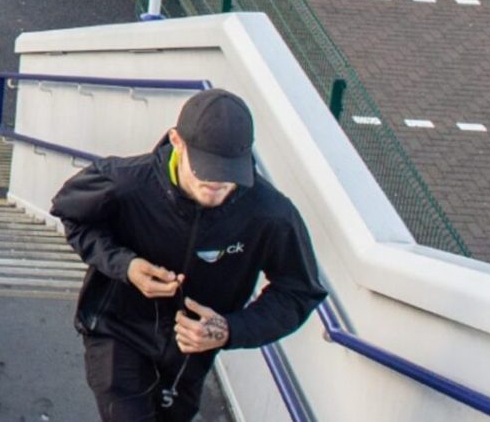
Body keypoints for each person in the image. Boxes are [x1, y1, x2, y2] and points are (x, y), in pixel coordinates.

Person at [51, 90, 326, 422]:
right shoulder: (125, 182)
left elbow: (299, 290)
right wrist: (126, 266)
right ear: (176, 141)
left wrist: (231, 329)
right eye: (205, 171)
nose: (216, 185)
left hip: (189, 357)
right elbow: (73, 217)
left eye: (229, 176)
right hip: (117, 330)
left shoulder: (269, 214)